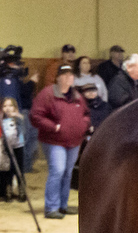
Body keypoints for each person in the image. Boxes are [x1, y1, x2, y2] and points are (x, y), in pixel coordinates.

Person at [29, 64, 90, 218]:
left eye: (71, 75)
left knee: (67, 173)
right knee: (57, 171)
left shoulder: (77, 96)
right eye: (65, 75)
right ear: (58, 78)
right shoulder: (47, 94)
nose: (68, 78)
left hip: (74, 141)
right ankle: (51, 207)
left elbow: (86, 114)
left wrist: (83, 125)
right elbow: (36, 116)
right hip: (54, 141)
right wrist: (53, 127)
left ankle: (63, 205)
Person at [1, 96, 27, 202]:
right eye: (5, 106)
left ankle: (22, 191)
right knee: (9, 170)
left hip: (18, 147)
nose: (8, 108)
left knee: (19, 170)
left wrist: (17, 116)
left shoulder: (18, 118)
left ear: (15, 107)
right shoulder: (2, 119)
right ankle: (9, 191)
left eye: (10, 105)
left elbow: (23, 130)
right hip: (6, 149)